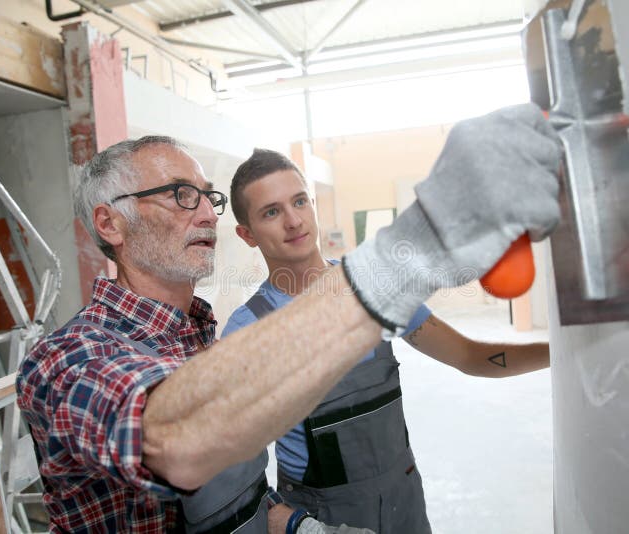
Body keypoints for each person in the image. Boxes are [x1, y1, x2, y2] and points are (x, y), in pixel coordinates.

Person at [16, 103, 562, 533]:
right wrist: (414, 252)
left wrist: (296, 527)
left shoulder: (200, 343)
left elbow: (232, 492)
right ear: (110, 223)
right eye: (182, 195)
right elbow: (178, 440)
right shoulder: (70, 358)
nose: (206, 210)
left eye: (207, 196)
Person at [223, 147, 552, 532]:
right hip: (320, 515)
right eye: (272, 212)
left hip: (404, 501)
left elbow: (469, 356)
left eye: (299, 202)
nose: (293, 221)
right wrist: (299, 526)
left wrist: (560, 352)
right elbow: (236, 473)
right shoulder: (247, 331)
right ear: (247, 234)